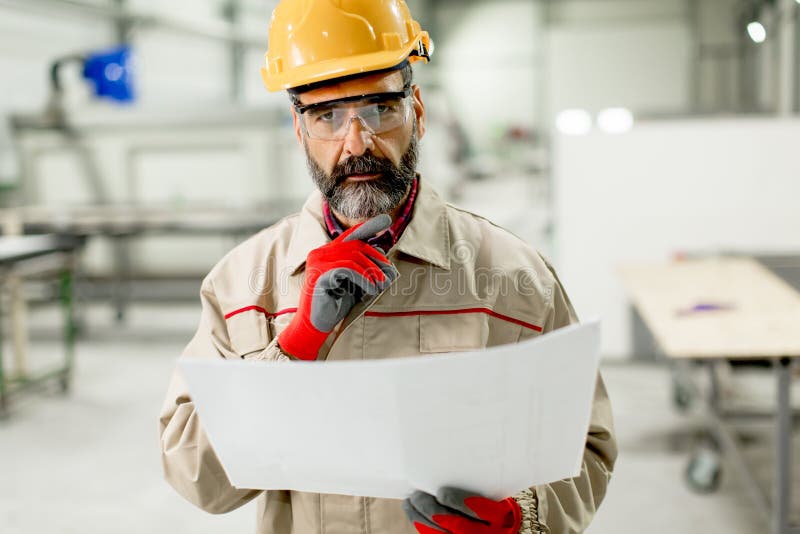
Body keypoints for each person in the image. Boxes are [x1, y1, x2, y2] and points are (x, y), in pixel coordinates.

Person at [158, 1, 617, 532]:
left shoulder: (514, 277)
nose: (357, 142)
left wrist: (524, 520)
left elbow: (587, 447)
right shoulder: (244, 283)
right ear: (297, 127)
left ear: (417, 110)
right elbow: (193, 475)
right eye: (327, 115)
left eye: (380, 108)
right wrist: (294, 347)